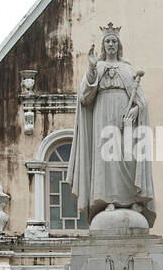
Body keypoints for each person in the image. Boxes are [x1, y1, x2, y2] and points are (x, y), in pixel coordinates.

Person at [66, 25, 156, 225]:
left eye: (114, 41)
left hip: (125, 119)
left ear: (119, 44)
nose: (111, 44)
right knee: (105, 159)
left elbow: (142, 100)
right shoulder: (96, 68)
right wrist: (90, 68)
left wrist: (135, 110)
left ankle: (132, 199)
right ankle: (108, 200)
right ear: (103, 45)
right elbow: (85, 97)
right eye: (107, 41)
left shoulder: (127, 68)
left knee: (127, 156)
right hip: (102, 115)